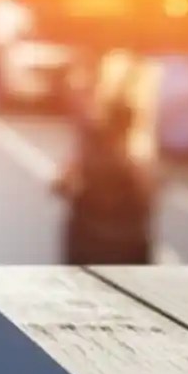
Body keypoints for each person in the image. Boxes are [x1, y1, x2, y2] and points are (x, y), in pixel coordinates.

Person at [55, 101, 155, 265]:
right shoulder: (136, 153)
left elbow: (62, 181)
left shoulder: (89, 148)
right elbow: (148, 191)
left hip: (89, 237)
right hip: (127, 240)